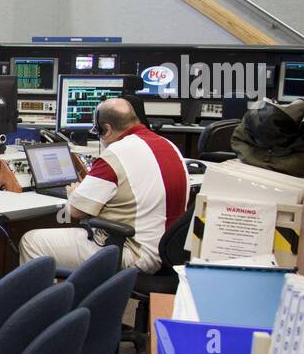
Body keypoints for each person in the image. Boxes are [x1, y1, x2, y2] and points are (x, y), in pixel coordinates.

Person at [18, 98, 187, 273]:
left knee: (32, 241)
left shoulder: (115, 154)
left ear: (106, 129)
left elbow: (76, 212)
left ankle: (51, 301)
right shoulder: (169, 145)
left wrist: (74, 193)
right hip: (168, 252)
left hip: (134, 253)